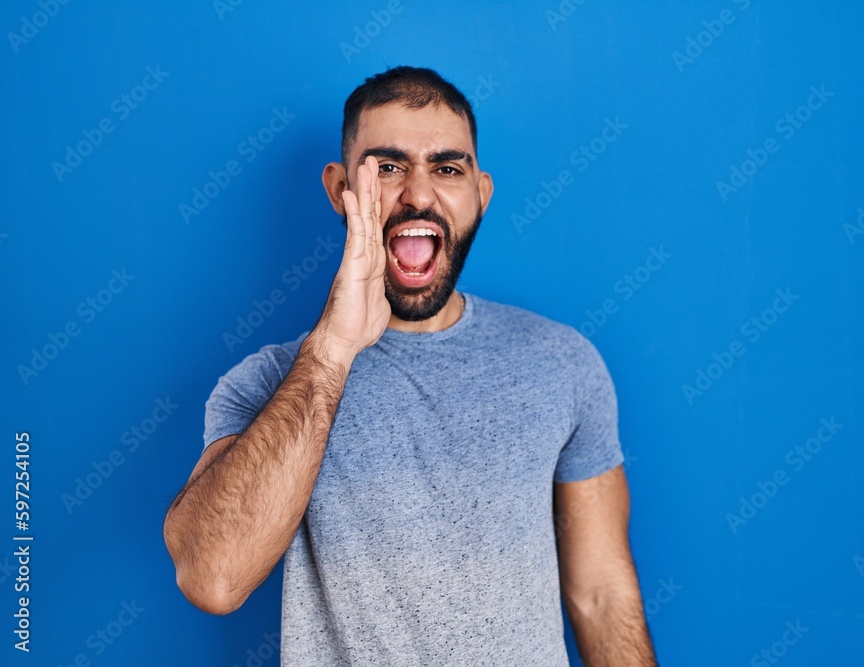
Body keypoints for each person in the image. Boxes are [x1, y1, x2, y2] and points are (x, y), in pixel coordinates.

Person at [163, 66, 657, 666]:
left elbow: (602, 595)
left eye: (447, 169)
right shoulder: (270, 382)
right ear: (341, 188)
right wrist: (334, 349)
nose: (419, 195)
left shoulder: (562, 362)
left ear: (480, 193)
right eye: (388, 167)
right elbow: (213, 578)